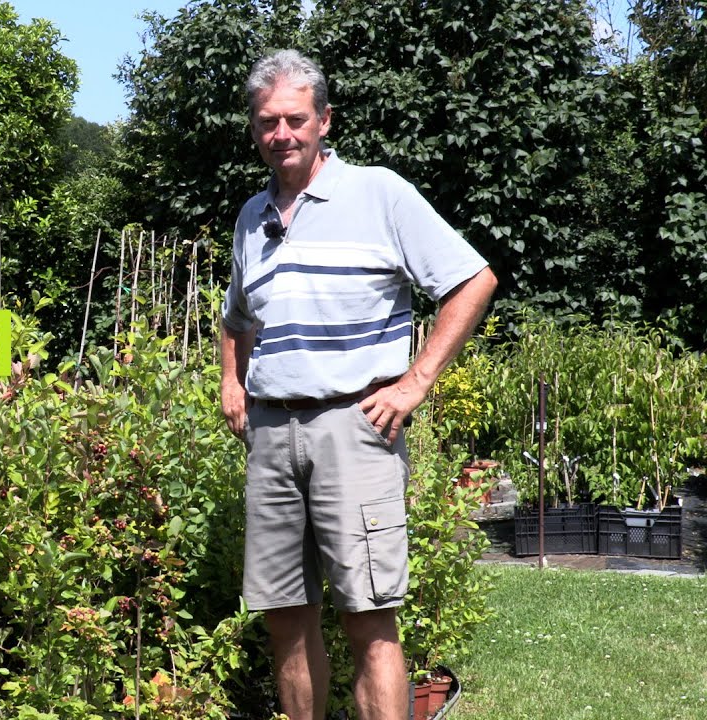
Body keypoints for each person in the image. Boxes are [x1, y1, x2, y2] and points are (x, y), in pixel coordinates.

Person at [220, 50, 498, 720]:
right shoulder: (252, 217)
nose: (281, 133)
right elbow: (237, 318)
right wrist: (232, 381)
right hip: (272, 435)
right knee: (285, 614)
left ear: (324, 120)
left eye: (295, 118)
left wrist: (415, 382)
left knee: (368, 615)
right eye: (267, 122)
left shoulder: (379, 194)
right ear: (254, 129)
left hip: (356, 427)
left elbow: (473, 280)